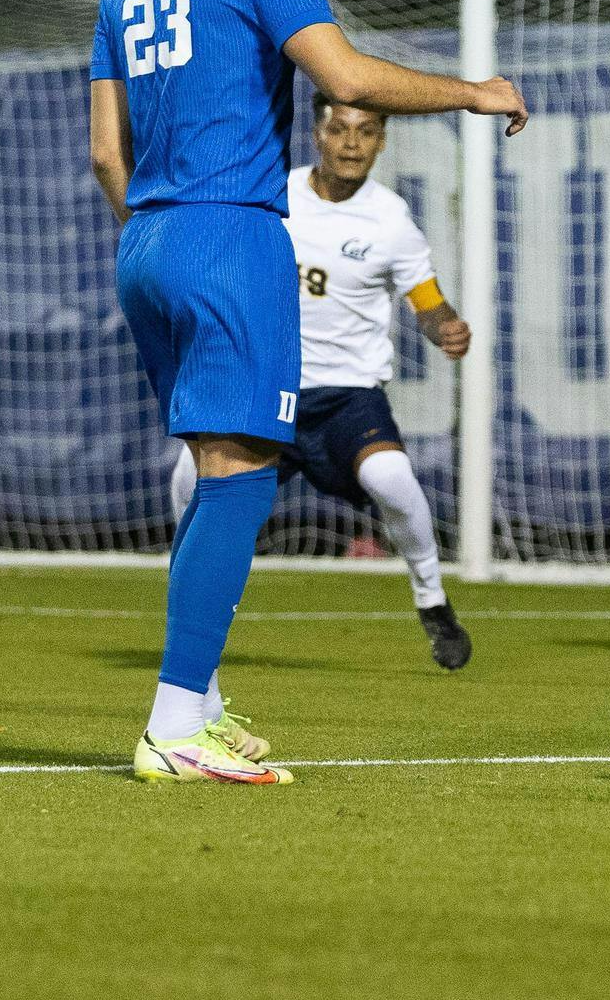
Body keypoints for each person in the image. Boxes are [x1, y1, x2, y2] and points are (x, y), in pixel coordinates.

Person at [89, 0, 526, 785]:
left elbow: (106, 155)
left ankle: (195, 703)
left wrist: (157, 241)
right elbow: (348, 81)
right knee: (243, 478)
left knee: (212, 468)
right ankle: (172, 725)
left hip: (145, 242)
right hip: (230, 236)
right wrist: (472, 91)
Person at [170, 94, 473, 671]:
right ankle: (188, 599)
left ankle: (432, 599)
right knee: (189, 476)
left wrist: (445, 327)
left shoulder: (391, 219)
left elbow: (426, 301)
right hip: (268, 384)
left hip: (348, 395)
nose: (351, 143)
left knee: (391, 476)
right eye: (339, 129)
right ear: (317, 134)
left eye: (365, 131)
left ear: (382, 141)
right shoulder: (272, 195)